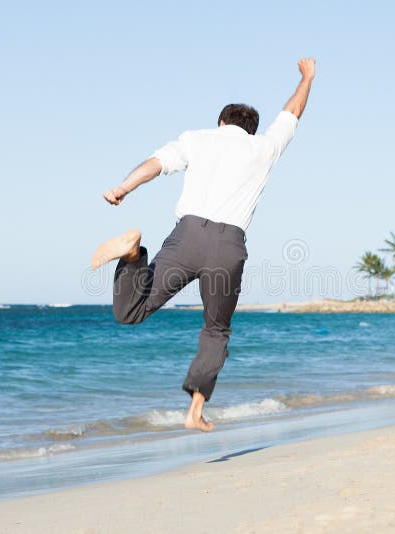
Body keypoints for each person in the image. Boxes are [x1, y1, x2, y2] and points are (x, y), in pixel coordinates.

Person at [91, 58, 316, 432]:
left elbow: (156, 163)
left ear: (222, 123)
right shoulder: (263, 148)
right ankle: (195, 411)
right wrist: (308, 77)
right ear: (251, 129)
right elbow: (292, 113)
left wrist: (123, 188)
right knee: (216, 330)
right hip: (228, 247)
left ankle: (132, 255)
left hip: (187, 237)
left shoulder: (196, 139)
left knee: (131, 310)